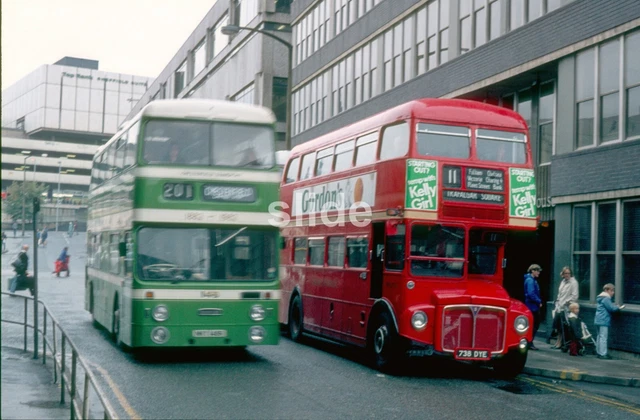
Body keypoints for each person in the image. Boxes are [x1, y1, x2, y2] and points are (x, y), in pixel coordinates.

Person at [549, 266, 579, 349]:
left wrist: (567, 302)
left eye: (568, 273)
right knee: (558, 325)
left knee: (563, 326)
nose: (567, 275)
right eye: (565, 273)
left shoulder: (573, 282)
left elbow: (575, 296)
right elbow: (560, 293)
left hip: (566, 307)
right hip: (559, 306)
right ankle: (558, 341)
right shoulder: (563, 281)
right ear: (563, 274)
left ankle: (561, 343)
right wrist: (558, 301)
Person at [594, 283, 625, 360]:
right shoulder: (606, 298)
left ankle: (598, 352)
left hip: (598, 319)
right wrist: (618, 307)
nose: (613, 292)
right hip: (604, 320)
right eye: (612, 290)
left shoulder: (600, 298)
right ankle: (603, 354)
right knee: (603, 337)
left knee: (599, 336)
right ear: (606, 290)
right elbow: (611, 309)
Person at [523, 264, 543, 350]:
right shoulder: (530, 281)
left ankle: (529, 342)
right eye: (537, 271)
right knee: (535, 324)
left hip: (532, 305)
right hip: (532, 306)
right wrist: (539, 301)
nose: (539, 272)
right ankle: (530, 342)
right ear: (533, 271)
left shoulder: (531, 280)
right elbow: (531, 293)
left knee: (533, 324)